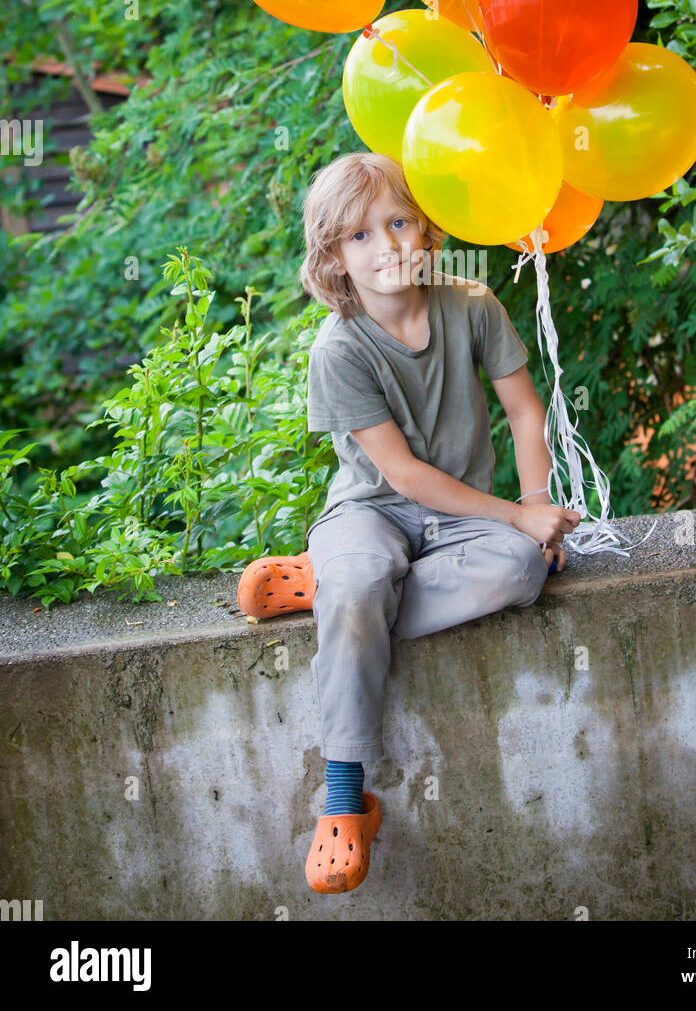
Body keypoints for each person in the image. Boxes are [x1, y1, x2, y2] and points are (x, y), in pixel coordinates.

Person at [236, 151, 582, 894]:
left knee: (521, 570)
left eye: (398, 223)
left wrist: (537, 509)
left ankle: (334, 594)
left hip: (462, 525)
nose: (387, 246)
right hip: (373, 514)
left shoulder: (473, 305)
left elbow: (525, 411)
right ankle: (341, 800)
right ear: (333, 257)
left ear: (426, 229)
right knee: (364, 571)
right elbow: (403, 476)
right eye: (360, 236)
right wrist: (516, 514)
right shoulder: (338, 347)